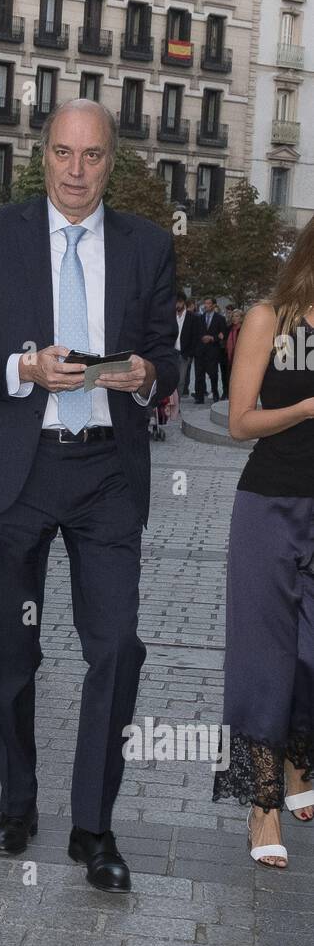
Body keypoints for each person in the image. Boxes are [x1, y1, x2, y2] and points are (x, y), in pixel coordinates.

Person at [0, 98, 179, 893]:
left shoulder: (146, 246)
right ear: (42, 154)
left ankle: (92, 825)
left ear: (114, 162)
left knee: (116, 649)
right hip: (18, 468)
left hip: (107, 472)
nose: (77, 171)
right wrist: (24, 370)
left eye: (94, 156)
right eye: (64, 153)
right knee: (11, 651)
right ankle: (17, 801)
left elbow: (165, 359)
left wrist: (148, 375)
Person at [214, 221, 314, 866]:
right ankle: (265, 805)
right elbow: (239, 421)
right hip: (271, 503)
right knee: (264, 654)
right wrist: (307, 407)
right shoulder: (268, 321)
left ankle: (302, 765)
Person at [193, 296, 226, 404]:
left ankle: (215, 394)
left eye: (208, 303)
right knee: (199, 374)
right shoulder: (200, 318)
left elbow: (223, 334)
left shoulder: (220, 318)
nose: (206, 305)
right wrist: (202, 337)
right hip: (200, 351)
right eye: (205, 303)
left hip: (213, 351)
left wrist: (212, 338)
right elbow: (196, 333)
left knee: (213, 374)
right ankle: (199, 396)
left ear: (214, 305)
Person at [175, 293, 198, 399]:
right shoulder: (170, 316)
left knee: (181, 381)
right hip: (171, 353)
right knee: (170, 378)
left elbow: (195, 337)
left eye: (179, 302)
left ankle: (177, 404)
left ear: (183, 302)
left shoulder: (192, 317)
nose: (176, 305)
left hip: (184, 354)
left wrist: (189, 354)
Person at [226, 305, 243, 370]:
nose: (234, 318)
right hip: (230, 357)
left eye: (237, 316)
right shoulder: (229, 328)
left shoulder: (243, 329)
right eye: (233, 316)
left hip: (240, 358)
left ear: (241, 318)